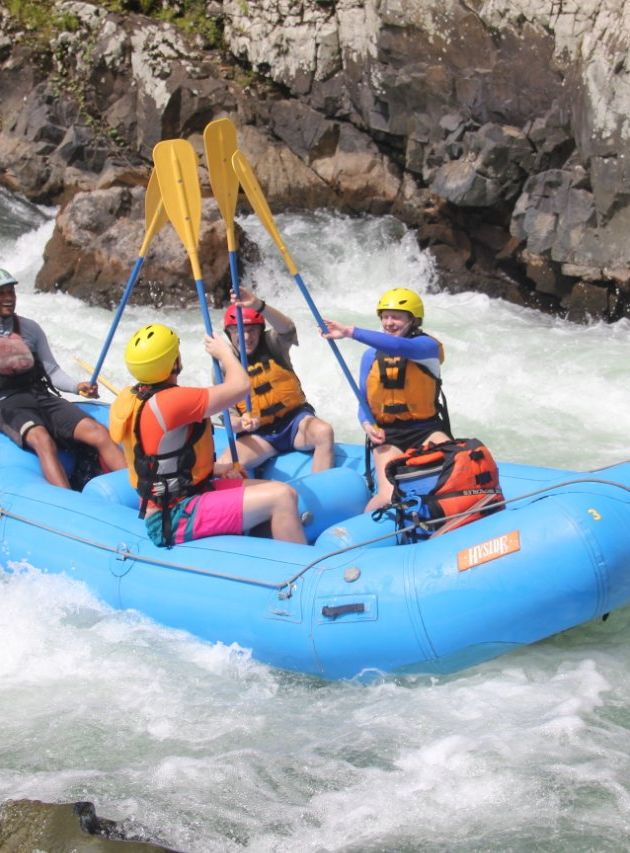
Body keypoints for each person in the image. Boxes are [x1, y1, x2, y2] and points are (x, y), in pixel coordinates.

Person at [109, 322, 306, 547]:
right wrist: (225, 353)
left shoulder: (135, 397)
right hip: (174, 517)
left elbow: (163, 460)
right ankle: (299, 574)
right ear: (174, 362)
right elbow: (241, 386)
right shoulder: (172, 402)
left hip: (186, 495)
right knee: (282, 498)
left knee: (280, 491)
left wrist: (214, 469)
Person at [323, 287, 452, 511]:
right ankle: (359, 536)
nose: (389, 322)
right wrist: (367, 424)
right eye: (385, 317)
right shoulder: (370, 356)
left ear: (413, 320)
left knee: (454, 472)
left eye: (397, 317)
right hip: (388, 435)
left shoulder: (427, 347)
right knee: (388, 495)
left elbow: (403, 347)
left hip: (426, 429)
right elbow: (364, 403)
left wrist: (350, 331)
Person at [0, 268, 125, 488]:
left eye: (11, 292)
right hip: (7, 405)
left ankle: (140, 495)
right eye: (2, 293)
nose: (9, 298)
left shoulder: (30, 328)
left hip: (40, 396)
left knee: (98, 433)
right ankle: (71, 505)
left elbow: (53, 371)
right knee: (43, 440)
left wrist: (78, 387)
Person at [218, 286, 334, 473]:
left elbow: (288, 328)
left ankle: (322, 490)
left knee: (324, 432)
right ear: (229, 333)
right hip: (259, 436)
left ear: (260, 330)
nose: (247, 337)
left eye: (252, 330)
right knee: (226, 464)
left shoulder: (273, 344)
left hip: (295, 423)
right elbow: (228, 414)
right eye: (239, 331)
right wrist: (241, 423)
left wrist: (258, 305)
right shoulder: (224, 364)